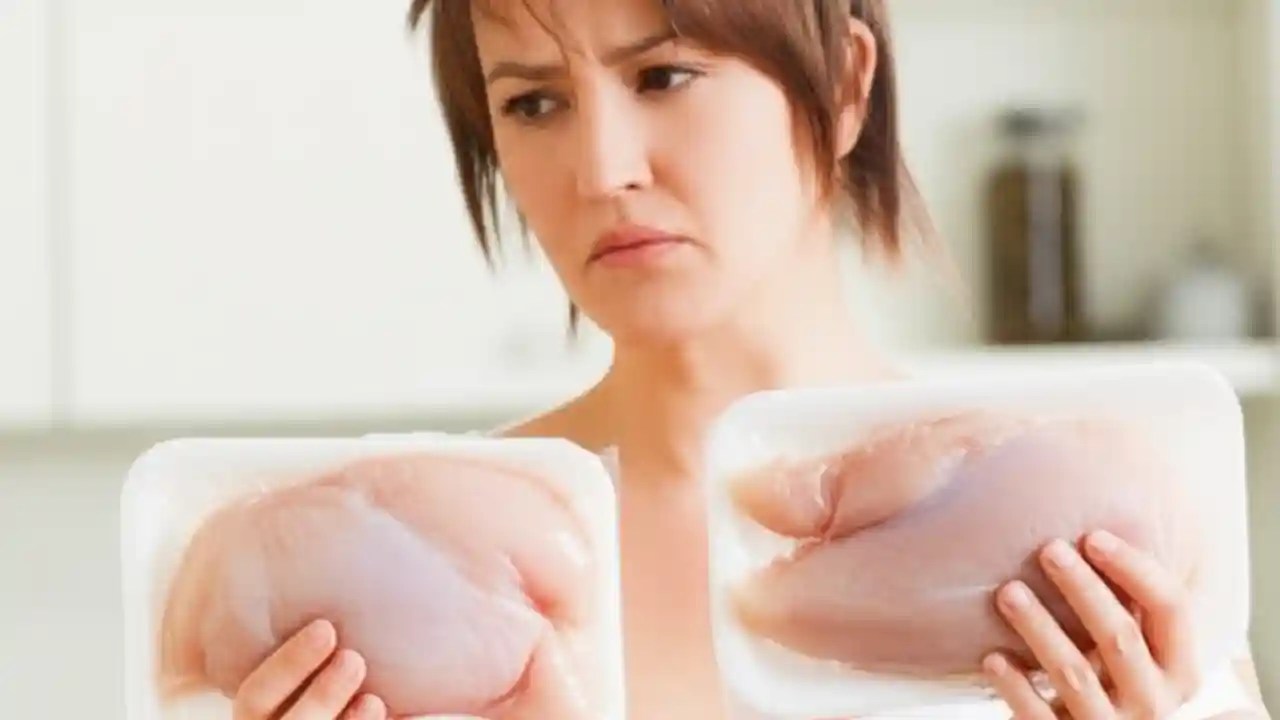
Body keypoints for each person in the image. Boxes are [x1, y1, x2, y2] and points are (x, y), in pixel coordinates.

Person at [226, 0, 1272, 718]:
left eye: (664, 74)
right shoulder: (400, 560)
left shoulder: (1081, 524)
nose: (602, 167)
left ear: (846, 82)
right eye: (532, 102)